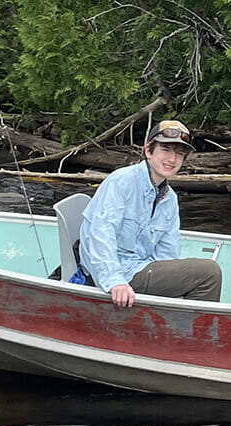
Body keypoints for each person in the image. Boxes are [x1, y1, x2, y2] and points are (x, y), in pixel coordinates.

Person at [79, 118, 223, 307]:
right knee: (209, 273)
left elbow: (167, 253)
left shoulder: (169, 198)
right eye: (165, 150)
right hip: (117, 273)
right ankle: (193, 334)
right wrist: (115, 281)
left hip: (142, 269)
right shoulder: (121, 181)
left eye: (179, 154)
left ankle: (173, 327)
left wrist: (169, 287)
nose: (172, 159)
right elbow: (101, 234)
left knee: (195, 275)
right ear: (148, 151)